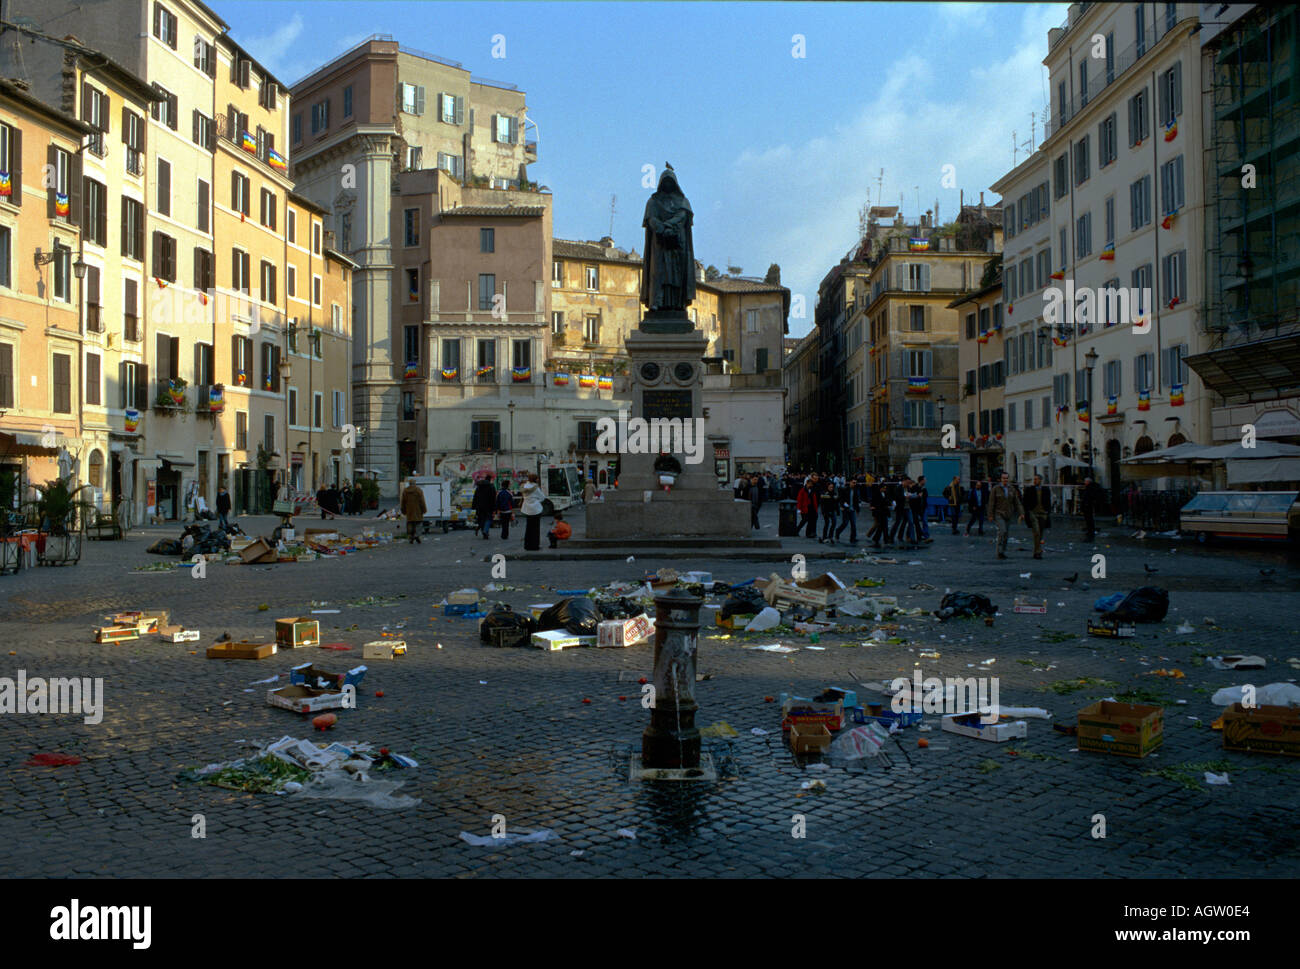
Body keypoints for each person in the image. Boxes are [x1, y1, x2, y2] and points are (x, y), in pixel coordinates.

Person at [989, 471, 1023, 559]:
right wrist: (990, 514)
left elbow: (1017, 502)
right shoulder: (995, 489)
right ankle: (999, 551)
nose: (1005, 480)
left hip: (1008, 514)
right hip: (998, 513)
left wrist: (1021, 513)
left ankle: (1003, 551)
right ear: (1001, 479)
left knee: (1006, 534)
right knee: (1002, 531)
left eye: (1006, 478)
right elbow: (991, 502)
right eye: (1003, 478)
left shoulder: (1012, 489)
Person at [1023, 473, 1052, 559]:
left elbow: (1048, 501)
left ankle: (1036, 551)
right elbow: (1025, 501)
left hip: (1043, 513)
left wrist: (1047, 511)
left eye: (1036, 479)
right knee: (1036, 532)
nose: (1035, 481)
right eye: (1034, 479)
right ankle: (1038, 551)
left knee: (1041, 533)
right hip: (1033, 513)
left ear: (1040, 480)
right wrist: (1027, 511)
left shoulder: (1046, 490)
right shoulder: (1029, 490)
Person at [520, 473, 544, 551]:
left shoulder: (524, 486)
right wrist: (536, 501)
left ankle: (527, 545)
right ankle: (535, 545)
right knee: (535, 529)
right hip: (536, 509)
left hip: (527, 509)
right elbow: (542, 497)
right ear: (535, 479)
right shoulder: (535, 487)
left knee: (528, 528)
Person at [400, 479, 426, 544]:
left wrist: (403, 510)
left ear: (409, 484)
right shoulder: (418, 490)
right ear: (415, 484)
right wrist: (424, 509)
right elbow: (422, 501)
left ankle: (411, 536)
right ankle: (417, 535)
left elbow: (403, 502)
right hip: (418, 510)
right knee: (418, 523)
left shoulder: (405, 491)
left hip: (409, 510)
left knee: (410, 523)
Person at [472, 474, 496, 540]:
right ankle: (485, 531)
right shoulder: (491, 487)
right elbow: (493, 498)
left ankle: (484, 533)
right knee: (488, 519)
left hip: (479, 507)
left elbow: (475, 497)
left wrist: (473, 506)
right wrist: (494, 507)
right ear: (490, 479)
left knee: (482, 520)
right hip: (488, 506)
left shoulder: (479, 487)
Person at [835, 475, 858, 544]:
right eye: (853, 482)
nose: (854, 484)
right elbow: (841, 499)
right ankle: (837, 532)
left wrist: (857, 509)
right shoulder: (845, 489)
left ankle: (853, 538)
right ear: (850, 482)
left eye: (855, 483)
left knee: (853, 524)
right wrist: (842, 505)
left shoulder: (856, 490)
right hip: (846, 509)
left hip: (852, 509)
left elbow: (856, 500)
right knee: (845, 523)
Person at [1081, 474, 1104, 541]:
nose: (1084, 482)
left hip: (1088, 506)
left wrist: (1086, 504)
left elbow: (1089, 497)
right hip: (1088, 505)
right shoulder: (1091, 488)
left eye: (1085, 481)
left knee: (1089, 519)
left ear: (1088, 482)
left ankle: (1090, 532)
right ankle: (1090, 531)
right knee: (1089, 519)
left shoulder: (1090, 488)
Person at [867, 481, 890, 548]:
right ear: (881, 488)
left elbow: (886, 501)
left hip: (883, 511)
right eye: (884, 488)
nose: (885, 489)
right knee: (882, 525)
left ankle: (878, 538)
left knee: (883, 526)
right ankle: (883, 538)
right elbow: (873, 502)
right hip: (878, 512)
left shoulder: (884, 494)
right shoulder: (876, 494)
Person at [912, 475, 932, 542]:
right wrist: (918, 495)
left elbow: (926, 496)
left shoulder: (924, 488)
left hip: (923, 507)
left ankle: (926, 536)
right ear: (921, 480)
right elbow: (913, 496)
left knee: (925, 521)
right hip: (917, 507)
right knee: (916, 522)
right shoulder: (915, 487)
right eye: (925, 480)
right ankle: (918, 536)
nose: (925, 481)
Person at [819, 479, 839, 543]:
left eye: (832, 487)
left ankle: (830, 536)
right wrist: (823, 511)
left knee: (834, 523)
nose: (831, 488)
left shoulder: (834, 493)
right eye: (830, 487)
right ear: (827, 487)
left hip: (832, 510)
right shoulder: (824, 493)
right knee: (827, 523)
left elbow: (836, 503)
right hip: (826, 510)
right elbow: (822, 503)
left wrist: (838, 511)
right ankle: (824, 537)